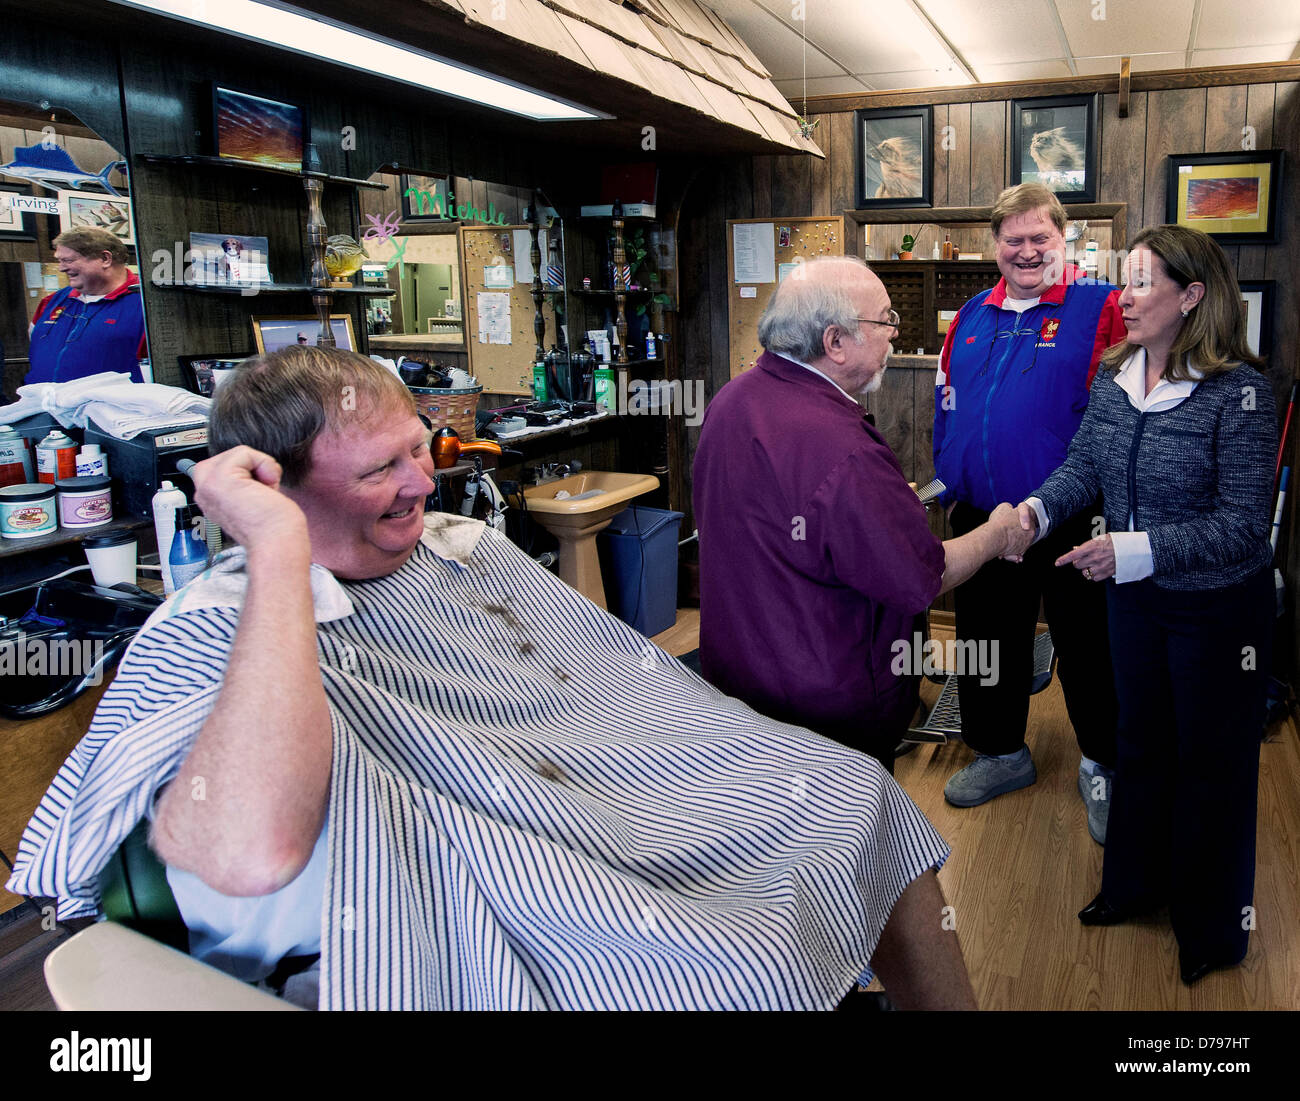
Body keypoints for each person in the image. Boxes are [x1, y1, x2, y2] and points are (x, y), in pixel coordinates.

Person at [10, 345, 978, 1011]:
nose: (423, 481)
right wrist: (272, 553)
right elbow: (246, 853)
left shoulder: (458, 546)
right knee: (740, 963)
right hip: (477, 872)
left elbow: (612, 684)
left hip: (613, 788)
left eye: (418, 448)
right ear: (274, 485)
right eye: (380, 469)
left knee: (857, 791)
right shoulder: (218, 623)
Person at [1019, 225, 1277, 986]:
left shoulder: (1242, 393)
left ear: (1192, 296)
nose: (1122, 297)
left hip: (1219, 613)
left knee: (1213, 764)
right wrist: (1032, 514)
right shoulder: (1116, 375)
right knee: (1142, 746)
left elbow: (1241, 525)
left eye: (1140, 283)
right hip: (1136, 604)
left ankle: (1212, 929)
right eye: (1122, 280)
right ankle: (1134, 885)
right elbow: (1082, 468)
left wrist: (1132, 551)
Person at [693, 256, 1034, 768]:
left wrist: (880, 505)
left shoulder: (731, 399)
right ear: (834, 342)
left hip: (738, 678)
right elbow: (920, 576)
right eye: (885, 320)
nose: (894, 334)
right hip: (825, 706)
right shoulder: (844, 449)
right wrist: (999, 534)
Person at [933, 184, 1123, 836]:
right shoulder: (970, 315)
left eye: (1039, 236)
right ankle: (1001, 752)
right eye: (1013, 239)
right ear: (995, 246)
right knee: (988, 638)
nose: (1026, 249)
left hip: (1072, 513)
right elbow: (953, 404)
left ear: (1062, 238)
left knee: (1089, 643)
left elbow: (1122, 420)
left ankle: (1105, 763)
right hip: (984, 515)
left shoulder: (1102, 307)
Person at [25, 227, 146, 384]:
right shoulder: (53, 301)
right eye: (59, 260)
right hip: (42, 406)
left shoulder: (145, 304)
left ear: (105, 259)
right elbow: (35, 341)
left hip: (108, 407)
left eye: (68, 260)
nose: (61, 268)